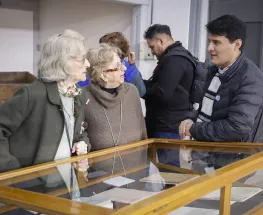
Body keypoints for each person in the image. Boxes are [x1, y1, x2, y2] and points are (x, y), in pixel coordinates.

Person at [0, 30, 91, 173]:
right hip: (31, 184)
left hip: (65, 179)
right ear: (62, 62)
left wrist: (82, 142)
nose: (88, 64)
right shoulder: (32, 94)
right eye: (82, 59)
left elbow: (80, 130)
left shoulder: (77, 94)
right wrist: (11, 170)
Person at [179, 15, 263, 169]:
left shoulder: (251, 78)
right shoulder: (214, 70)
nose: (209, 48)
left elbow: (237, 127)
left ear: (236, 44)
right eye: (210, 41)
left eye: (216, 42)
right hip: (206, 156)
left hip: (231, 164)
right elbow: (207, 109)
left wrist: (194, 128)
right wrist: (189, 119)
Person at [143, 24, 195, 166]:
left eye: (152, 46)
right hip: (170, 121)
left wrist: (140, 87)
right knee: (168, 168)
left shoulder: (174, 59)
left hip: (168, 125)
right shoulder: (179, 55)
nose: (152, 51)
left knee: (170, 169)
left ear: (160, 41)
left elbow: (162, 94)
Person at [84, 43, 147, 151]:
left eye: (122, 63)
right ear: (103, 74)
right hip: (100, 166)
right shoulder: (84, 97)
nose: (124, 68)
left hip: (136, 164)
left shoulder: (132, 91)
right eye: (118, 66)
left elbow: (142, 130)